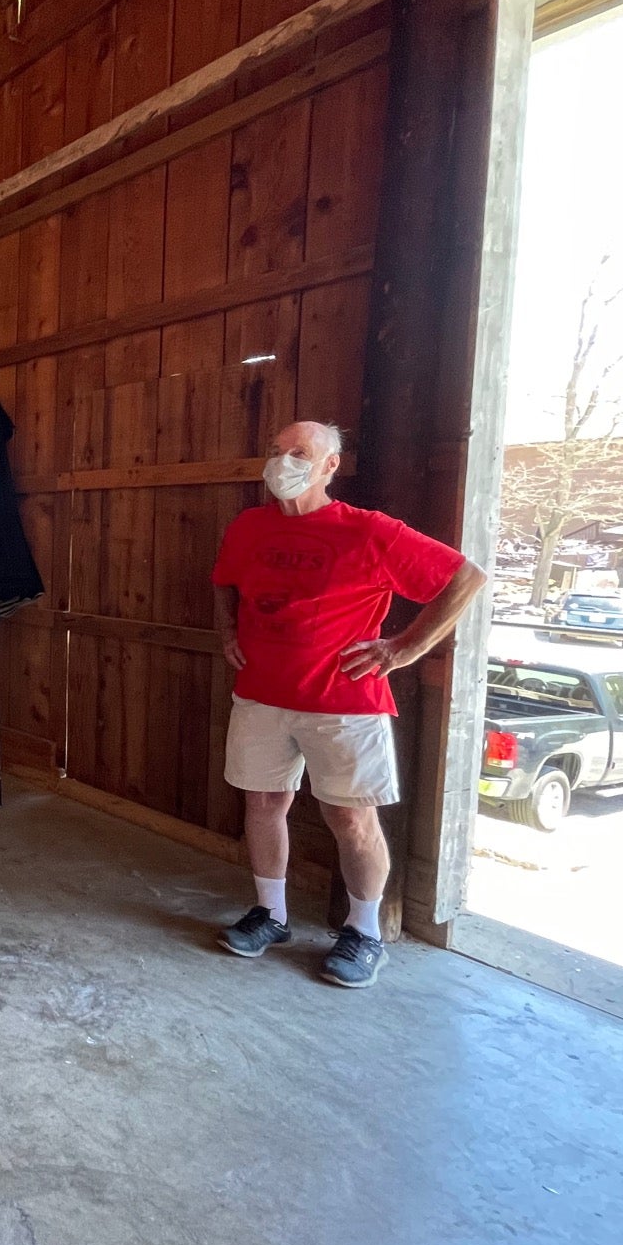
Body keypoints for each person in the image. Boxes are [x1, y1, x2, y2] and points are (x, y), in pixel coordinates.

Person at [210, 421, 486, 988]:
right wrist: (226, 630)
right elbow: (225, 580)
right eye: (276, 450)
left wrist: (405, 647)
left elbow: (465, 576)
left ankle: (363, 932)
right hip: (261, 694)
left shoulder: (368, 532)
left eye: (298, 452)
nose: (283, 461)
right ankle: (271, 914)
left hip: (344, 701)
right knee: (263, 803)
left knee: (352, 816)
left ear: (330, 465)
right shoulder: (249, 526)